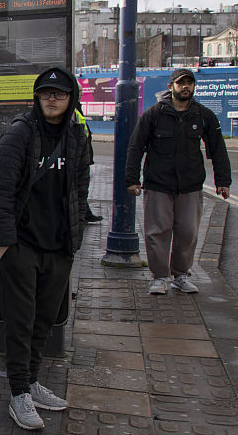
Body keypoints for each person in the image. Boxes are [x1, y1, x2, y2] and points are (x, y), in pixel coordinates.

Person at [0, 67, 91, 430]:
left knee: (45, 320)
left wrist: (76, 238)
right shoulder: (21, 132)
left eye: (58, 94)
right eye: (45, 94)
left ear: (71, 97)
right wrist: (7, 243)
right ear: (36, 98)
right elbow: (0, 190)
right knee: (21, 322)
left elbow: (81, 188)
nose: (52, 100)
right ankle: (18, 394)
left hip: (59, 246)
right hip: (23, 244)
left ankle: (33, 381)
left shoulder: (77, 134)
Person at [124, 68, 232, 295]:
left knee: (188, 232)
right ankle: (160, 277)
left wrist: (223, 180)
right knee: (158, 231)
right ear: (171, 87)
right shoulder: (153, 114)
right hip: (158, 185)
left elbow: (218, 149)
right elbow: (136, 147)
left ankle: (180, 275)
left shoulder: (203, 115)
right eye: (181, 83)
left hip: (190, 186)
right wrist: (132, 179)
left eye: (190, 83)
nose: (186, 87)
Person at [74, 102, 104, 223]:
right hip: (78, 154)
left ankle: (85, 214)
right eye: (79, 91)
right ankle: (85, 214)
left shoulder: (76, 108)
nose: (81, 94)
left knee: (80, 187)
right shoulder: (74, 110)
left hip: (82, 154)